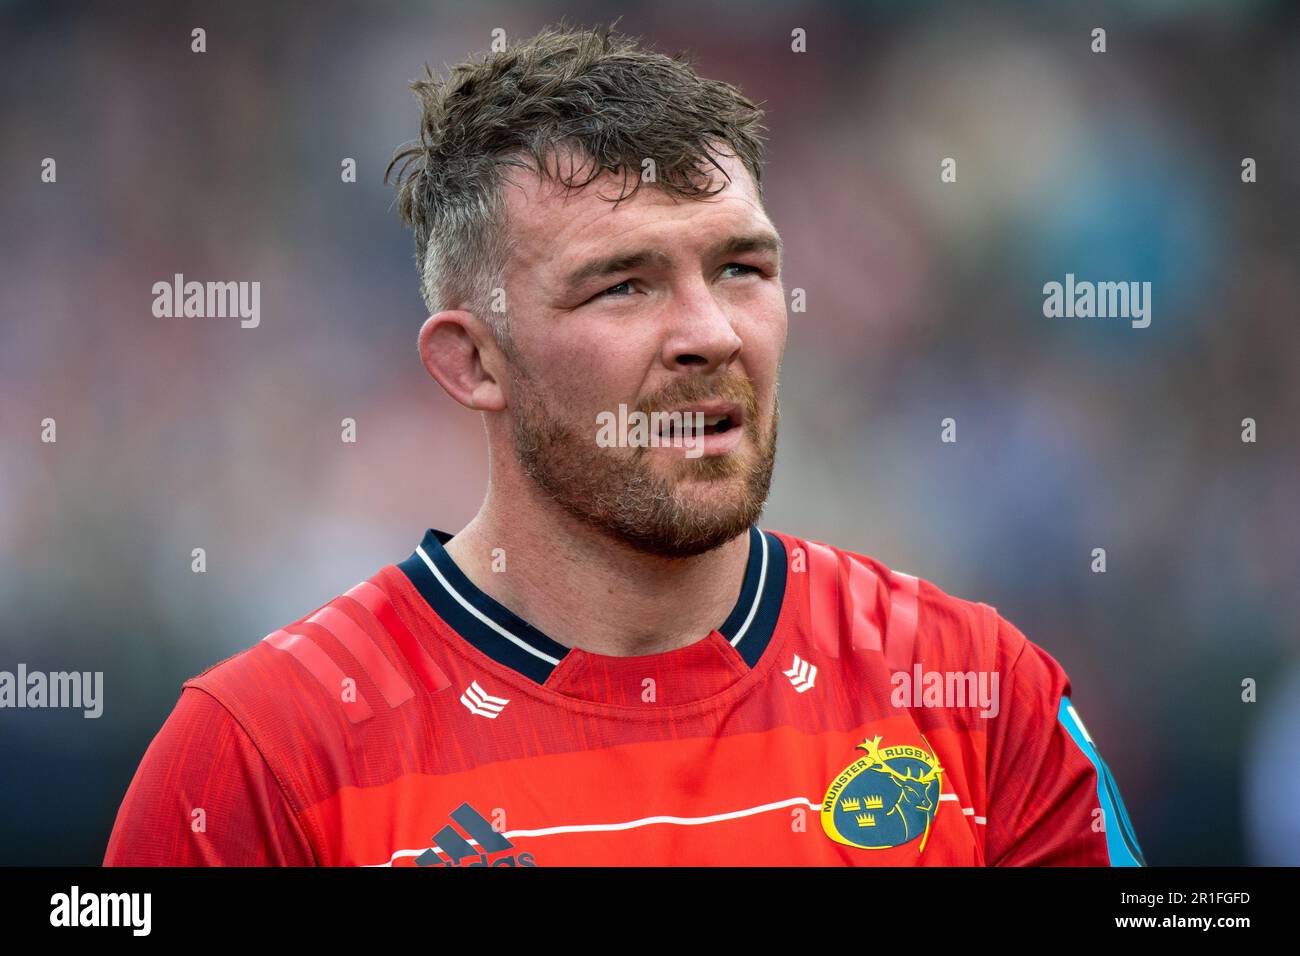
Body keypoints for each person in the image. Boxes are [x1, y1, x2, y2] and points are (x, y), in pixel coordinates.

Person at [104, 22, 1145, 867]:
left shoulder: (978, 693)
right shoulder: (260, 755)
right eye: (625, 283)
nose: (711, 333)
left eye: (741, 268)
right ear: (472, 364)